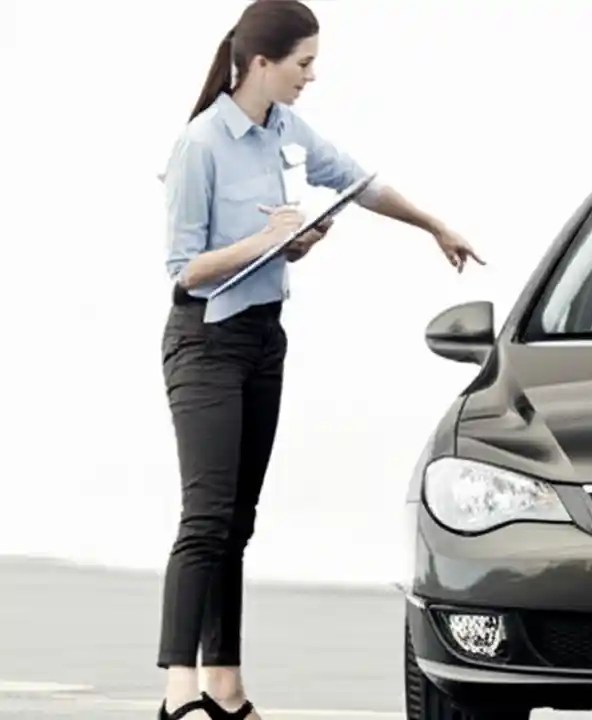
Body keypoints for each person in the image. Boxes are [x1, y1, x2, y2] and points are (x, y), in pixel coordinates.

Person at [155, 3, 483, 719]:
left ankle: (226, 684)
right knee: (205, 519)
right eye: (303, 64)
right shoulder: (202, 144)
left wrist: (433, 226)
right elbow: (185, 271)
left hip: (262, 339)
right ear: (262, 63)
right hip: (205, 341)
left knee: (238, 522)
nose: (311, 76)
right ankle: (178, 690)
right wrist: (269, 239)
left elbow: (359, 181)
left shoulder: (284, 129)